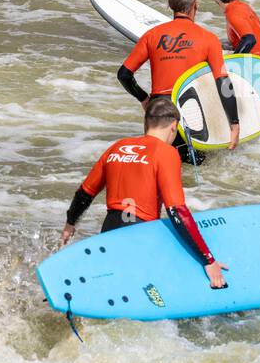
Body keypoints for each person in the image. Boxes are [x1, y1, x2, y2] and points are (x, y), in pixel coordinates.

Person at [59, 97, 228, 288]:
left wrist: (70, 224)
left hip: (108, 231)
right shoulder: (166, 153)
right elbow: (177, 211)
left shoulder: (118, 147)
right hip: (139, 235)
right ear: (173, 126)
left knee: (110, 284)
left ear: (145, 123)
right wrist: (208, 260)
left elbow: (85, 193)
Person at [117, 0, 240, 158]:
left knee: (157, 166)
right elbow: (223, 81)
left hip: (157, 110)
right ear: (195, 5)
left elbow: (124, 75)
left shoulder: (151, 35)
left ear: (170, 4)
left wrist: (144, 99)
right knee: (192, 169)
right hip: (190, 110)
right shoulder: (209, 39)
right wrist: (234, 123)